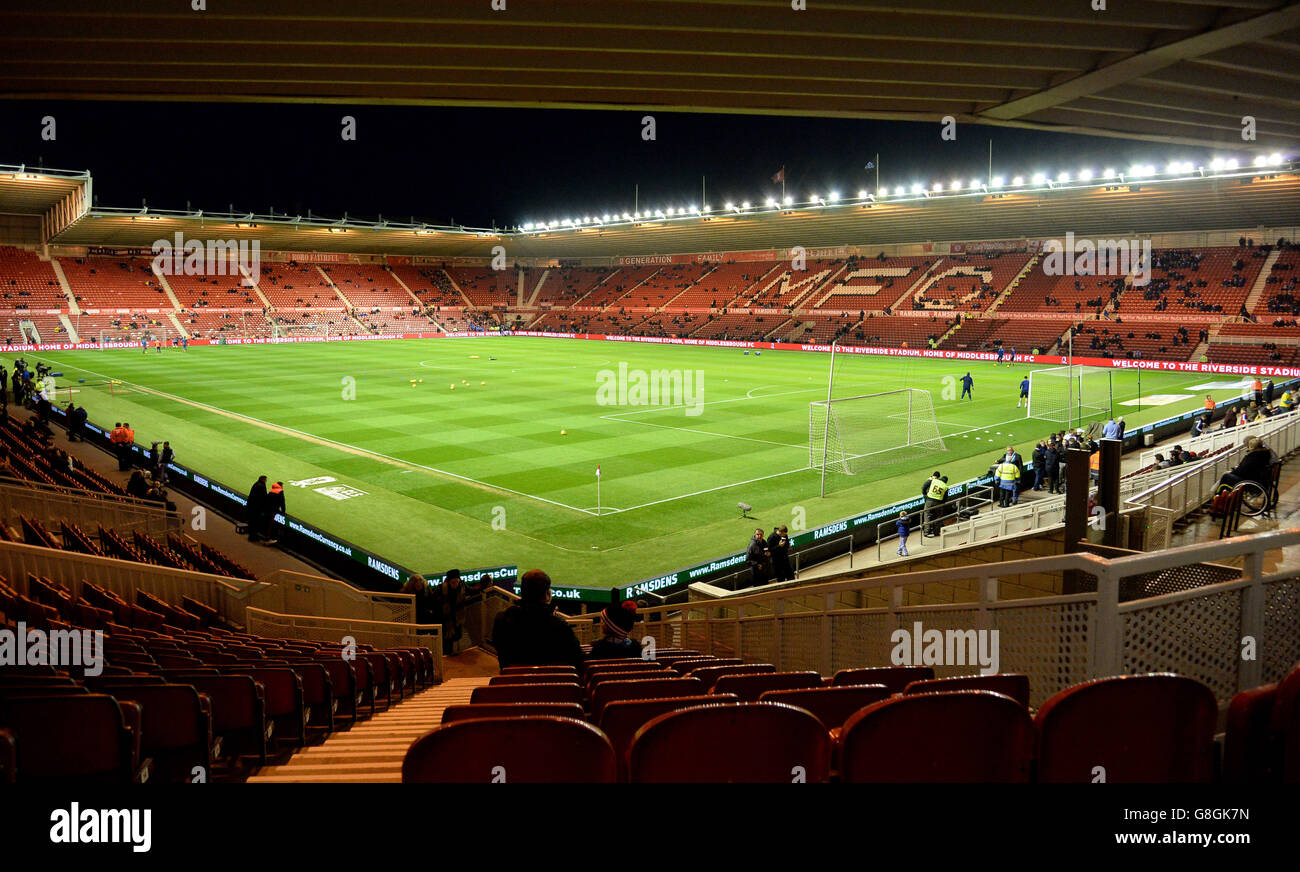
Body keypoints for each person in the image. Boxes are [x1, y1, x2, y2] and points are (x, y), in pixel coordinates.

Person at [491, 569, 584, 671]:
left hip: (511, 680)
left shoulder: (503, 619)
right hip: (552, 682)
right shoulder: (559, 626)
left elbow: (500, 649)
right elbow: (577, 658)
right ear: (546, 594)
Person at [429, 569, 468, 655]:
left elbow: (471, 590)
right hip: (444, 619)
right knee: (446, 640)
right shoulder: (441, 588)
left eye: (457, 582)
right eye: (453, 582)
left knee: (455, 637)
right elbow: (432, 601)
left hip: (456, 619)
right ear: (449, 581)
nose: (455, 584)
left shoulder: (462, 586)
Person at [922, 471, 947, 536]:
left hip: (929, 500)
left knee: (926, 515)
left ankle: (926, 532)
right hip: (939, 502)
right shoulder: (945, 486)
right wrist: (942, 503)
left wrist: (924, 493)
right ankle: (936, 532)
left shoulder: (935, 481)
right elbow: (945, 498)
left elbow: (925, 485)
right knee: (938, 517)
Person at [245, 474, 268, 541]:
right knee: (255, 523)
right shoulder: (261, 486)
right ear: (263, 480)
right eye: (266, 480)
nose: (266, 481)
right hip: (256, 508)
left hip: (252, 506)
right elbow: (263, 497)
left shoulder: (256, 484)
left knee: (252, 522)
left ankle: (252, 536)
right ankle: (253, 537)